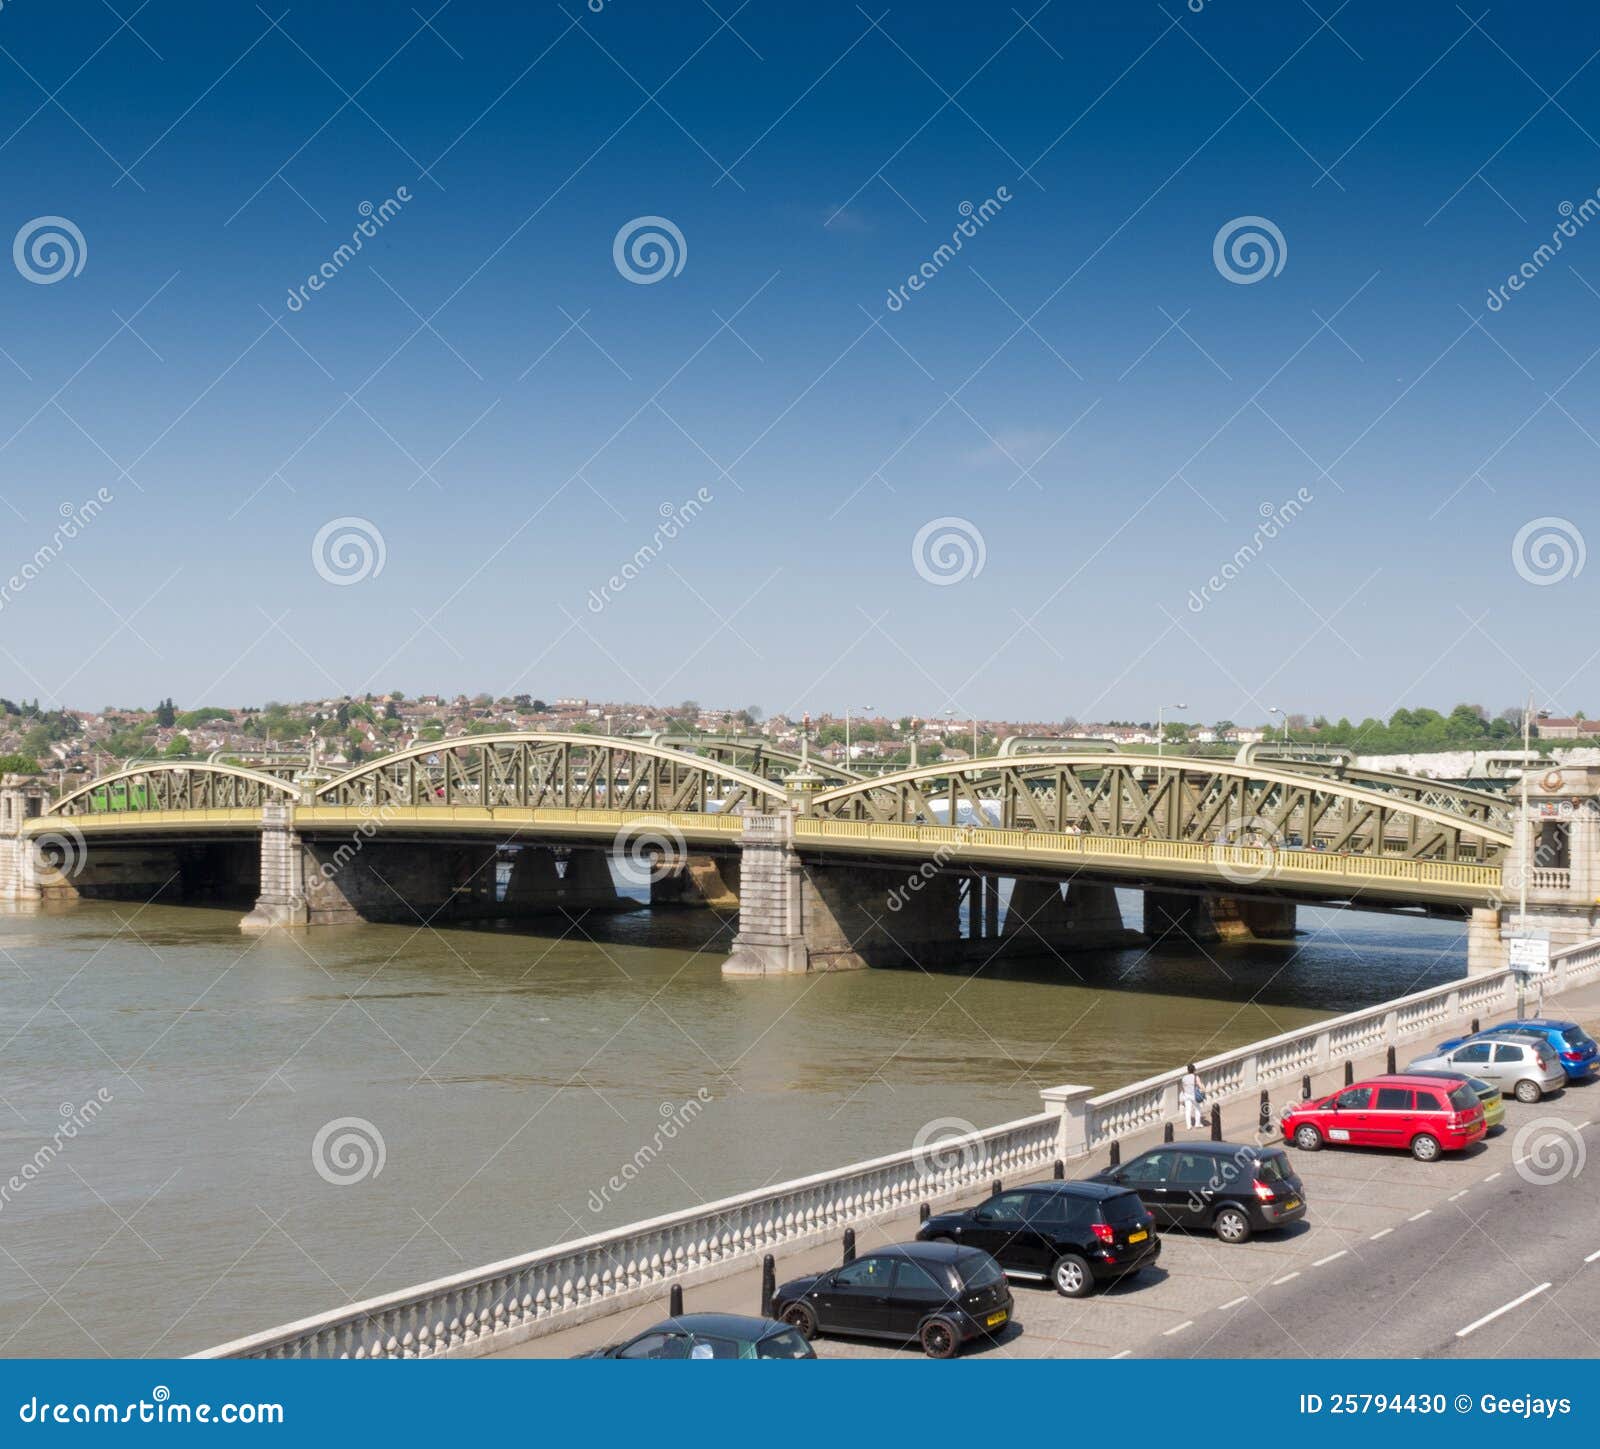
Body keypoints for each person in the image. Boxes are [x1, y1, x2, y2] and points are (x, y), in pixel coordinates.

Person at [1180, 1062, 1205, 1130]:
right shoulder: (1196, 1077)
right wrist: (1203, 1089)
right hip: (1194, 1095)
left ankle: (1189, 1125)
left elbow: (1182, 1087)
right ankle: (1197, 1124)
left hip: (1186, 1095)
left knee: (1188, 1110)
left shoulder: (1184, 1077)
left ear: (1188, 1070)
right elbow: (1200, 1086)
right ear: (1194, 1070)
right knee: (1198, 1108)